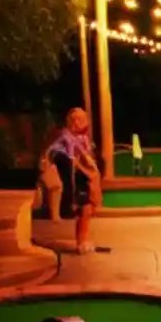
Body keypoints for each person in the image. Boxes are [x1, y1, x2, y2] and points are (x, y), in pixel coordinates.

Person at [44, 108, 103, 253]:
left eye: (81, 119)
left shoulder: (83, 138)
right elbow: (54, 152)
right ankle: (81, 242)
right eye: (75, 119)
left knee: (89, 209)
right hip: (78, 177)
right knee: (85, 210)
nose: (79, 122)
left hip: (86, 176)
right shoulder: (66, 137)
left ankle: (83, 240)